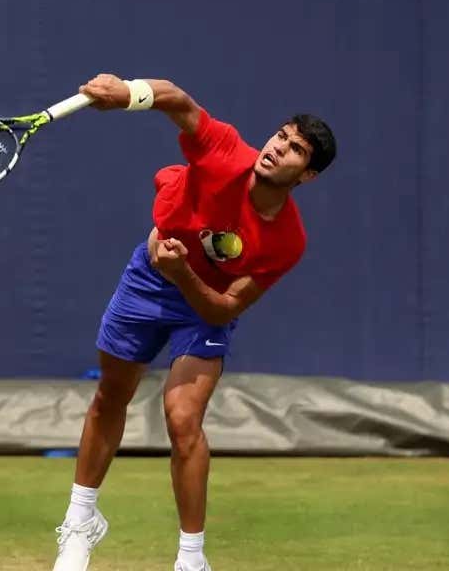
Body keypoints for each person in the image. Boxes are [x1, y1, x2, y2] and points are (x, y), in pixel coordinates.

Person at [51, 74, 336, 570]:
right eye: (281, 137)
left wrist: (182, 271)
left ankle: (191, 559)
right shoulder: (226, 151)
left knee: (183, 418)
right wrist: (126, 93)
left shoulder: (287, 241)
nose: (278, 149)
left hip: (198, 297)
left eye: (295, 151)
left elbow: (222, 309)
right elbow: (176, 99)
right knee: (110, 395)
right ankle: (81, 520)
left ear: (306, 176)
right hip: (149, 277)